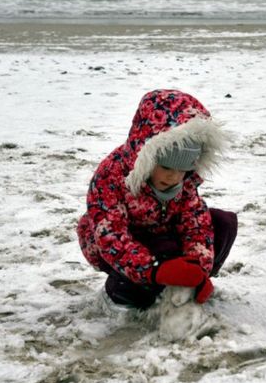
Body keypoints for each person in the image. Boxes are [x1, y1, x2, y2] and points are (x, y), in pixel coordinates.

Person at [76, 89, 237, 310]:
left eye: (182, 169)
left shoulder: (185, 182)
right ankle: (122, 291)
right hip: (122, 247)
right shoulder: (112, 174)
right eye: (166, 167)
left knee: (223, 223)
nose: (173, 176)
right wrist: (155, 269)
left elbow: (195, 225)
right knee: (160, 250)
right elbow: (111, 236)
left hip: (163, 239)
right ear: (148, 157)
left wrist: (197, 270)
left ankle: (182, 285)